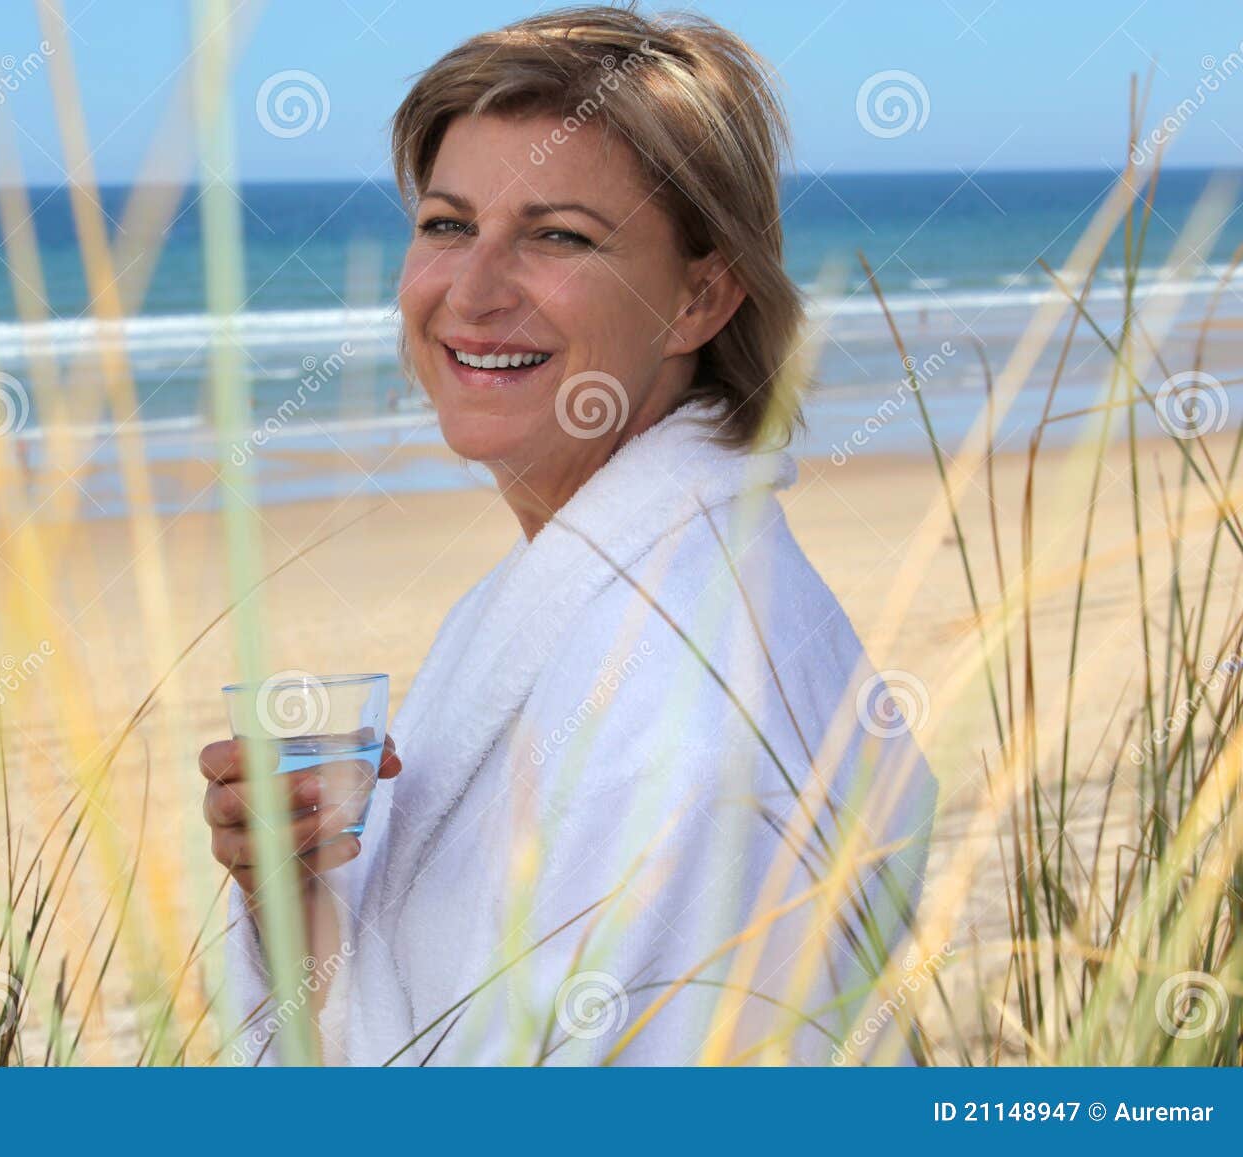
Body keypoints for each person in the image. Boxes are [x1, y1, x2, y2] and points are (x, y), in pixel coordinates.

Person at [202, 3, 938, 1066]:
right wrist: (292, 891)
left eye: (558, 235)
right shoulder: (571, 589)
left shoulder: (681, 707)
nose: (471, 288)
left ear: (700, 296)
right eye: (448, 223)